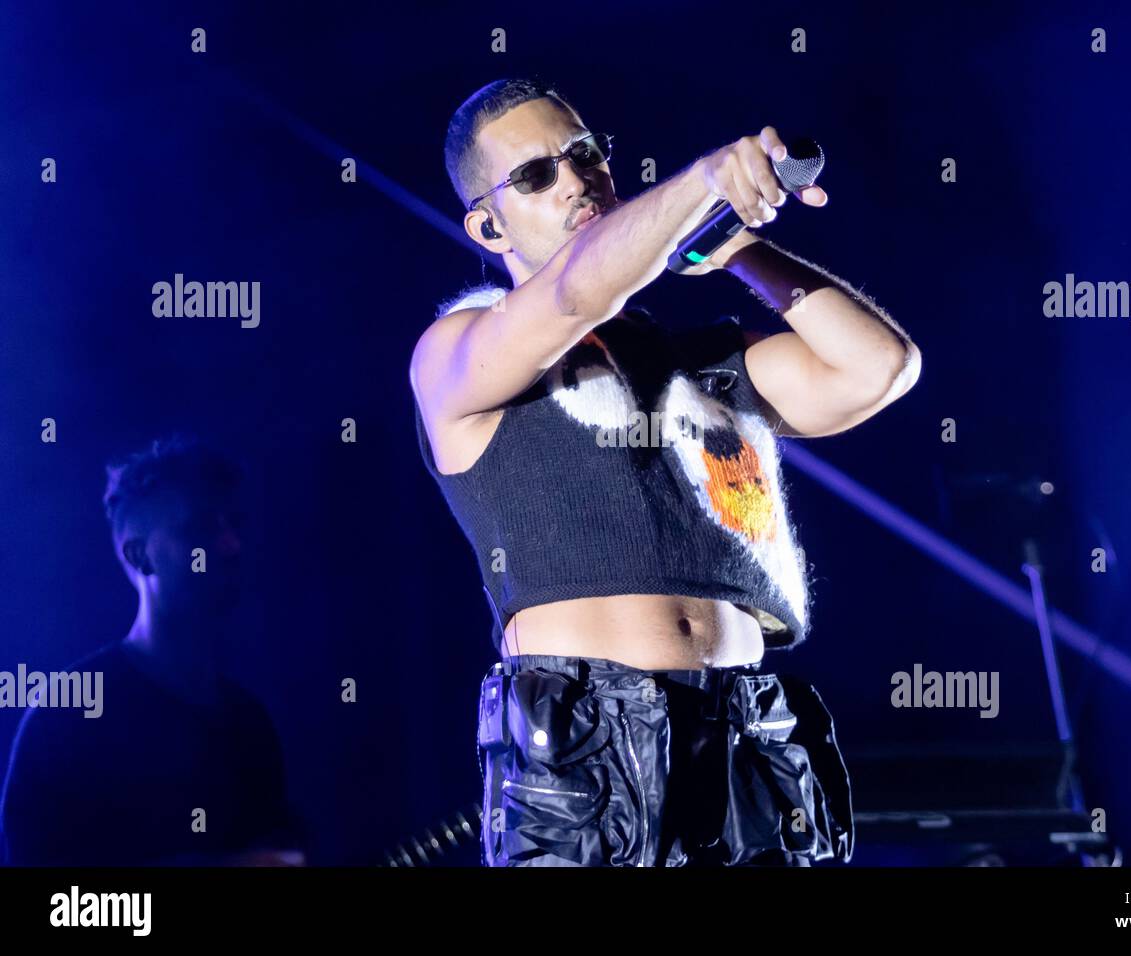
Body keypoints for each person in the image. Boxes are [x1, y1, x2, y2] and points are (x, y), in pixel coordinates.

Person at [410, 78, 921, 866]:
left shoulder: (703, 361)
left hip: (749, 739)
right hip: (589, 755)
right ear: (487, 222)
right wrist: (704, 182)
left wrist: (740, 247)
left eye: (584, 154)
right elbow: (578, 291)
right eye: (537, 175)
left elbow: (878, 368)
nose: (576, 178)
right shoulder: (458, 352)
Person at [0, 437, 306, 866]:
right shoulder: (67, 722)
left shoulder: (249, 722)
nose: (231, 544)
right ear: (140, 555)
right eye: (201, 527)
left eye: (234, 524)